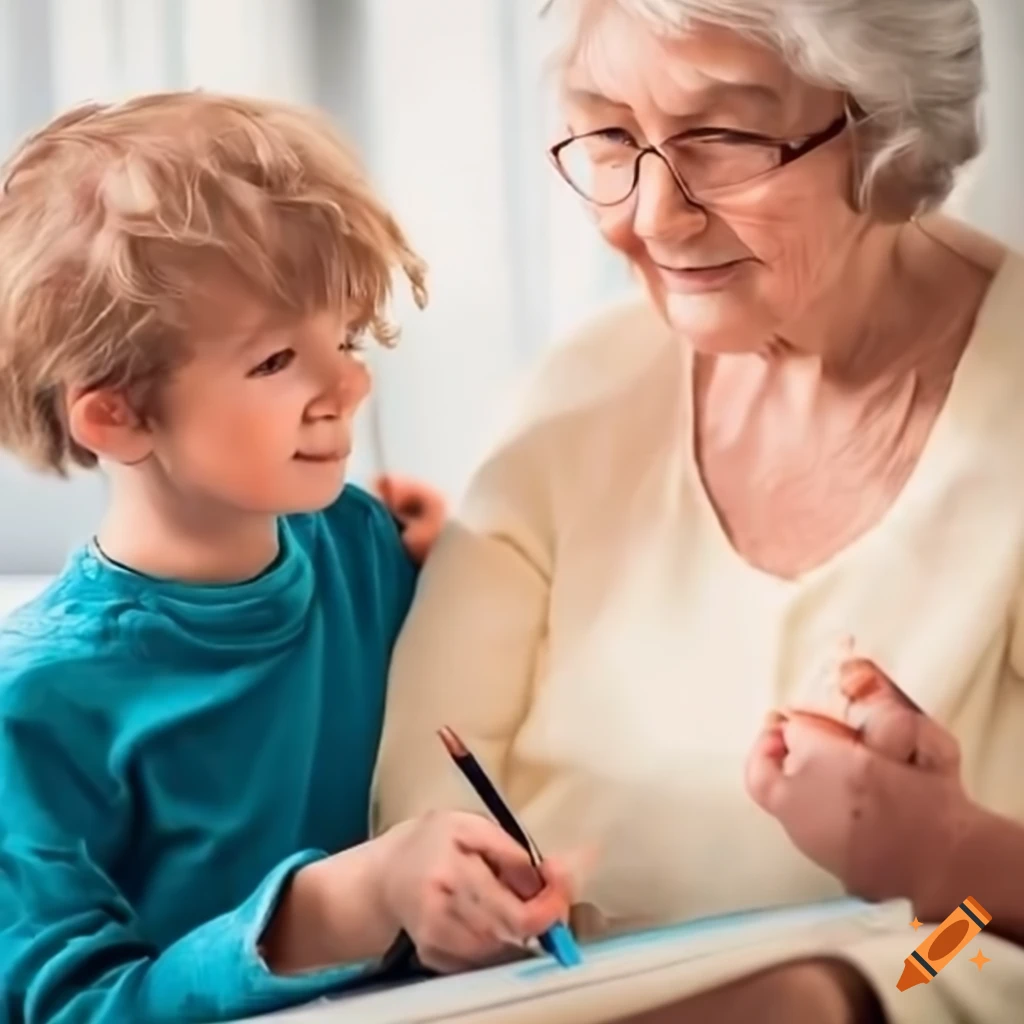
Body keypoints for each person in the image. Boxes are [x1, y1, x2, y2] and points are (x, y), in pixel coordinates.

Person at [372, 0, 1024, 1021]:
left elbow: (973, 937)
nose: (651, 216)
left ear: (887, 129)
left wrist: (949, 855)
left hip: (932, 960)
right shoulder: (574, 396)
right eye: (612, 136)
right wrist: (441, 893)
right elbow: (418, 802)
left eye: (721, 141)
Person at [0, 92, 571, 1024]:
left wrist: (458, 560)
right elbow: (67, 1007)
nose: (349, 384)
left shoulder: (364, 548)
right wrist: (347, 903)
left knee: (885, 979)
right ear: (117, 415)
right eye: (274, 361)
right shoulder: (34, 709)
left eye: (343, 337)